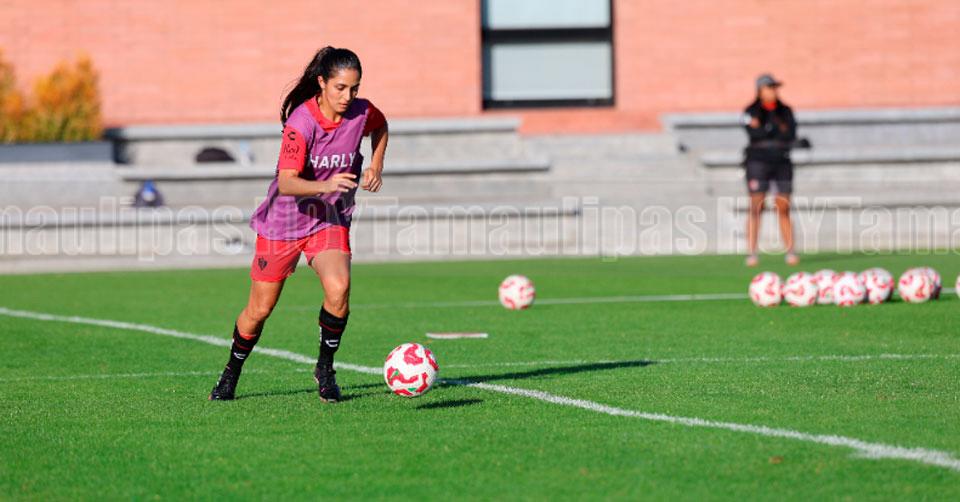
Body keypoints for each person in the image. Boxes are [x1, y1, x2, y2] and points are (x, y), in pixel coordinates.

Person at [209, 46, 388, 403]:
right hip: (283, 224)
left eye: (353, 88)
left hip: (328, 220)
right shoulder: (301, 124)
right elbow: (288, 182)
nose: (347, 96)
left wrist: (376, 166)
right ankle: (231, 372)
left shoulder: (361, 112)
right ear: (322, 83)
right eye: (339, 88)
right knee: (259, 310)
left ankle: (325, 368)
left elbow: (381, 126)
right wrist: (326, 185)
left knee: (339, 289)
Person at [742, 73, 798, 267]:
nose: (773, 91)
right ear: (760, 90)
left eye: (775, 87)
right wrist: (772, 130)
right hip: (758, 161)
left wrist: (769, 129)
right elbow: (754, 132)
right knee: (756, 205)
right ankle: (751, 252)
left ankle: (791, 250)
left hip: (781, 161)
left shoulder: (785, 110)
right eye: (769, 87)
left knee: (783, 205)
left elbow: (790, 133)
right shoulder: (751, 110)